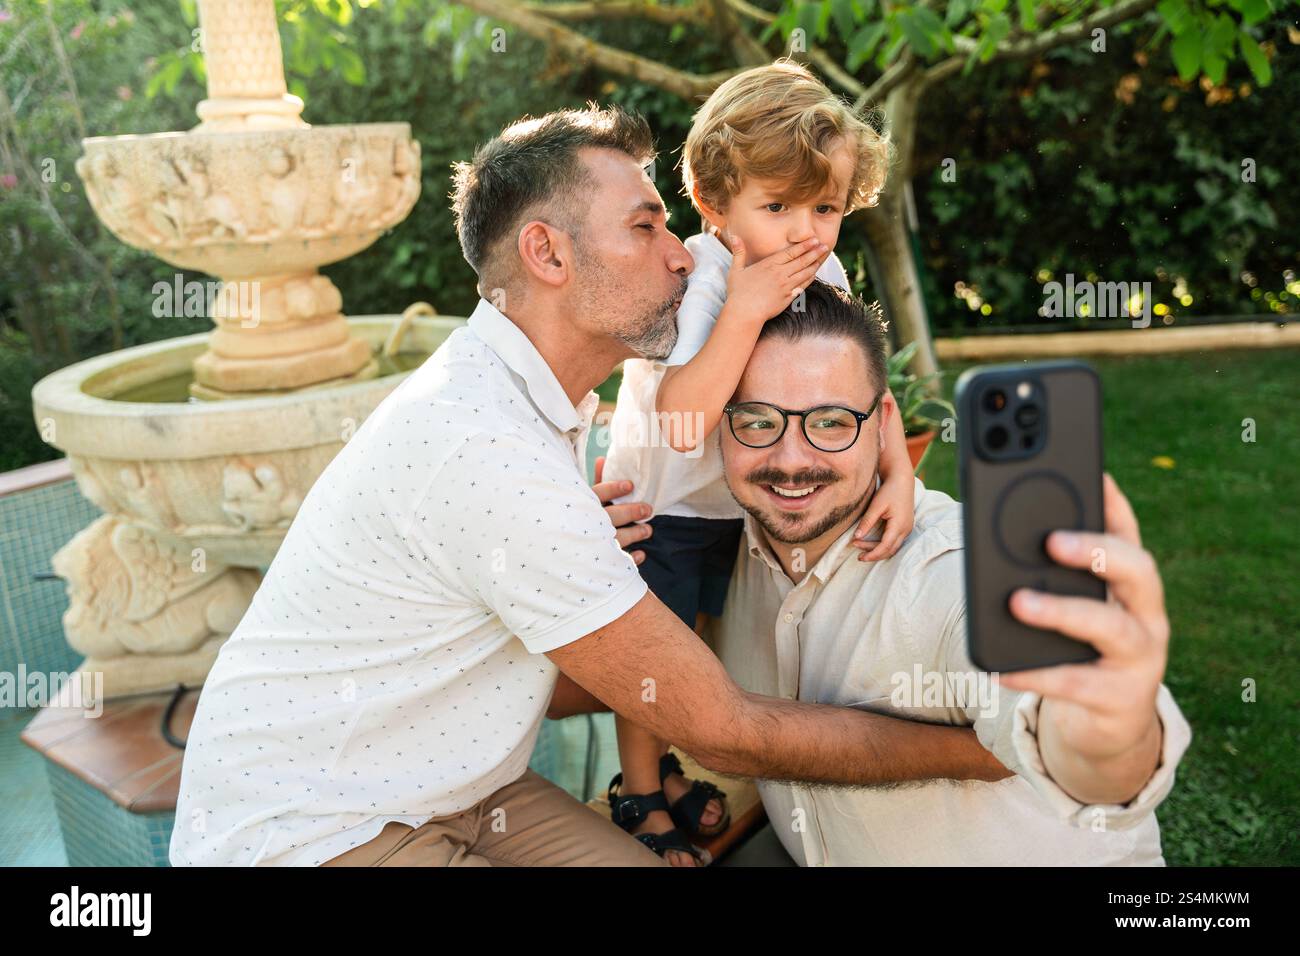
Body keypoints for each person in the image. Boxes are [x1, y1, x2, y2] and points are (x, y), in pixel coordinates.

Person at [168, 104, 1008, 868]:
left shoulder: (527, 403)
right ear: (547, 253)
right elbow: (721, 729)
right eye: (646, 227)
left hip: (468, 790)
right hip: (311, 830)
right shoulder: (486, 447)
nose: (684, 255)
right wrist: (984, 748)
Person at [708, 279, 1192, 865]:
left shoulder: (950, 572)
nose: (790, 459)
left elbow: (1049, 727)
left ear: (883, 422)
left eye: (831, 422)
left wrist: (1104, 738)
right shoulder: (721, 557)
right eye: (758, 422)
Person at [600, 61, 918, 864]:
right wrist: (746, 307)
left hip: (733, 507)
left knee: (703, 646)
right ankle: (637, 785)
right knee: (654, 654)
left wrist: (899, 470)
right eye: (776, 207)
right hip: (662, 508)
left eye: (826, 208)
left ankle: (667, 766)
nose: (805, 232)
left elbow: (862, 380)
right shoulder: (704, 283)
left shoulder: (825, 271)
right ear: (714, 206)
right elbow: (681, 422)